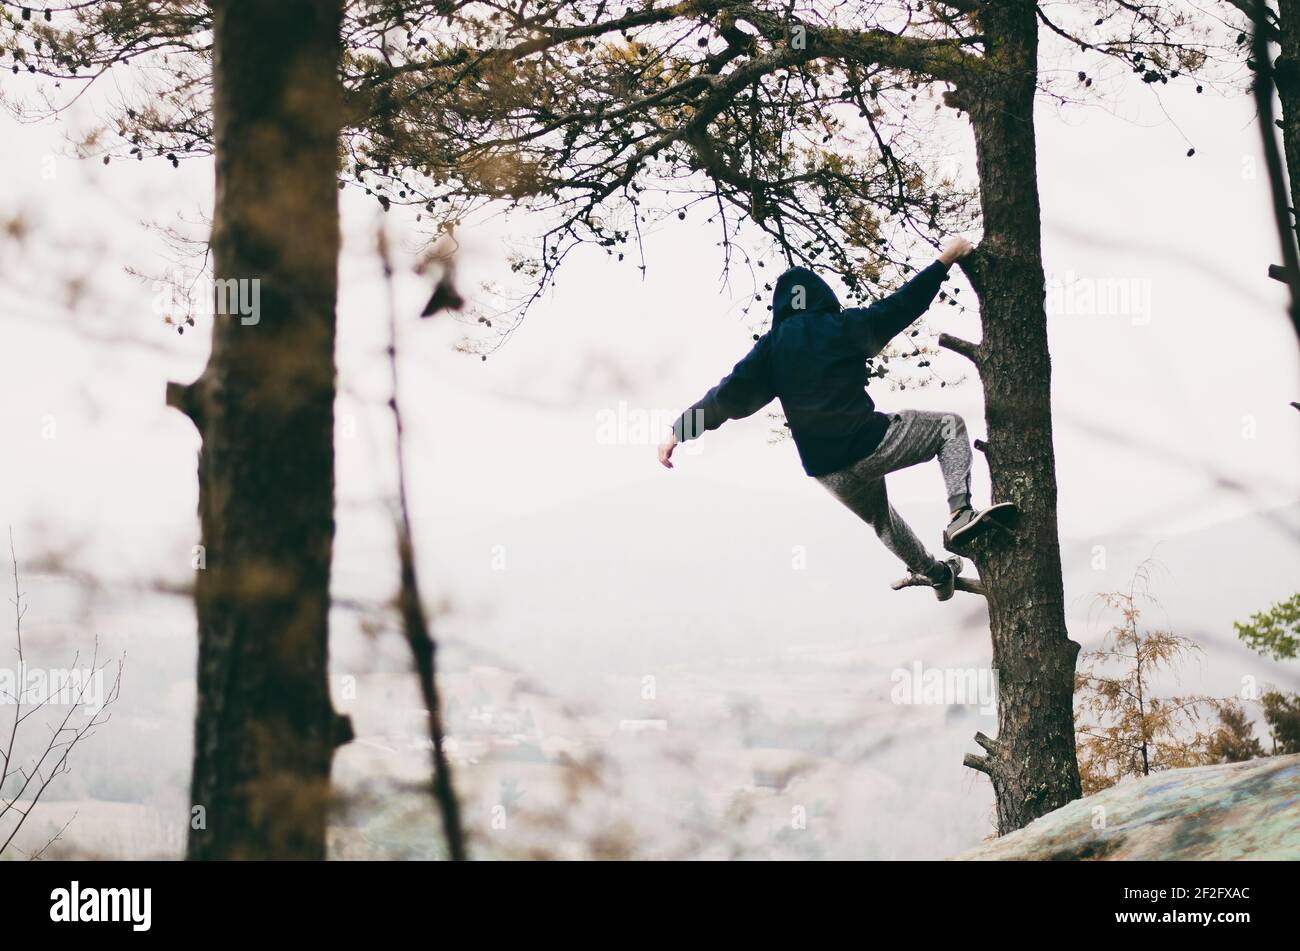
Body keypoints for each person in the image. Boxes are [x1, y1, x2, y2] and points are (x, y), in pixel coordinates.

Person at [657, 237, 1014, 601]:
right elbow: (902, 305)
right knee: (949, 427)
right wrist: (945, 261)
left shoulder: (772, 348)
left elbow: (727, 396)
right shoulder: (841, 327)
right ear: (821, 296)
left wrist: (679, 430)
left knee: (882, 521)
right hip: (868, 442)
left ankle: (936, 573)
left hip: (827, 472)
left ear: (782, 305)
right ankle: (960, 514)